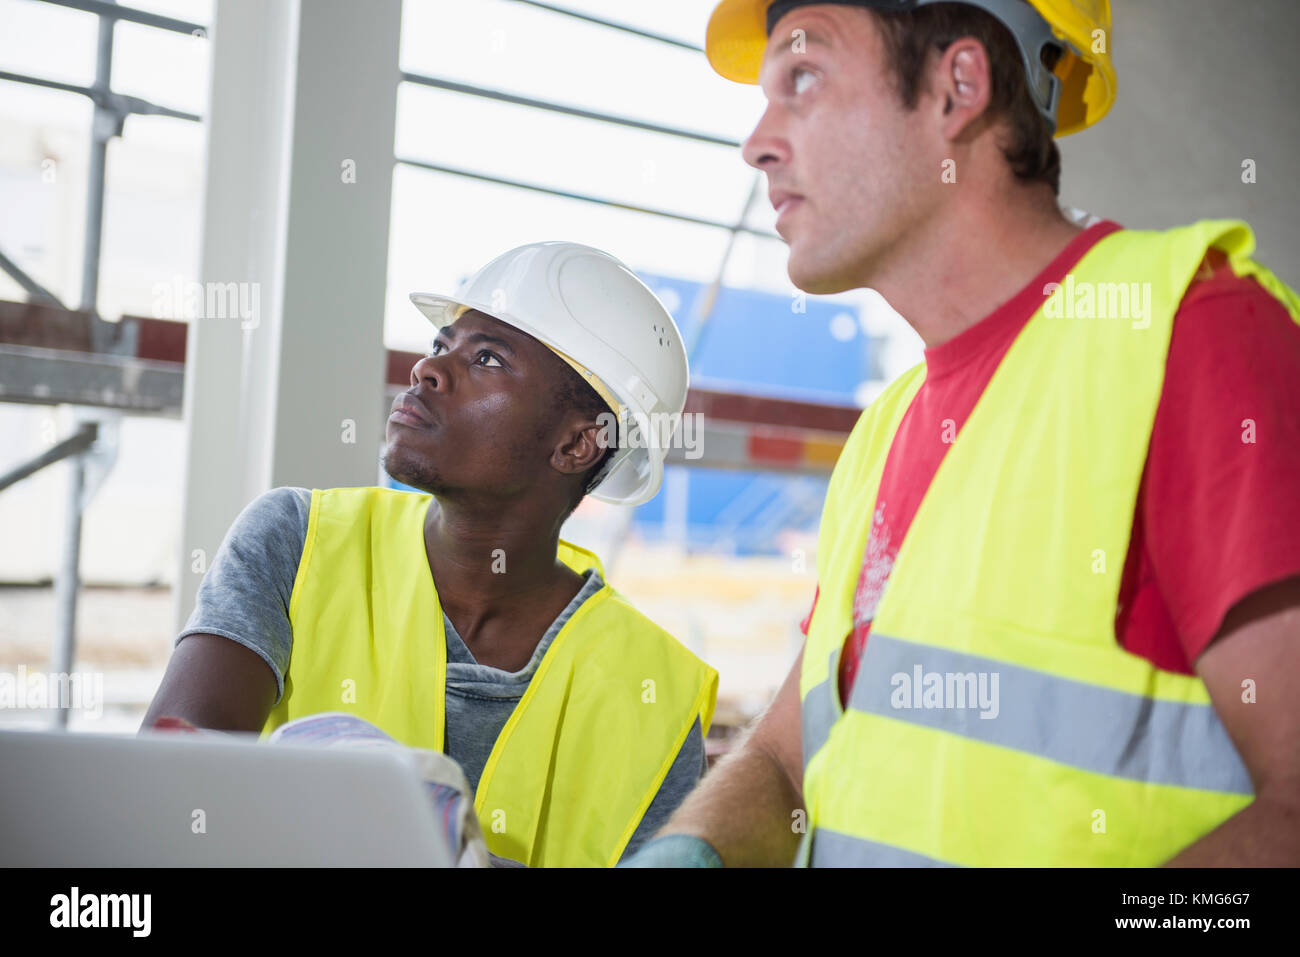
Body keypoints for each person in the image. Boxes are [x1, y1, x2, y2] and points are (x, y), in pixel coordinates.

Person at [624, 0, 1300, 867]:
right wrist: (696, 848)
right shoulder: (885, 432)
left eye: (803, 76)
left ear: (958, 87)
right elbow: (784, 759)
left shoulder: (1190, 333)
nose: (757, 140)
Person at [143, 241, 719, 868]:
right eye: (442, 345)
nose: (428, 370)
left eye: (488, 358)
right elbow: (168, 793)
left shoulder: (655, 689)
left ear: (578, 443)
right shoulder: (297, 540)